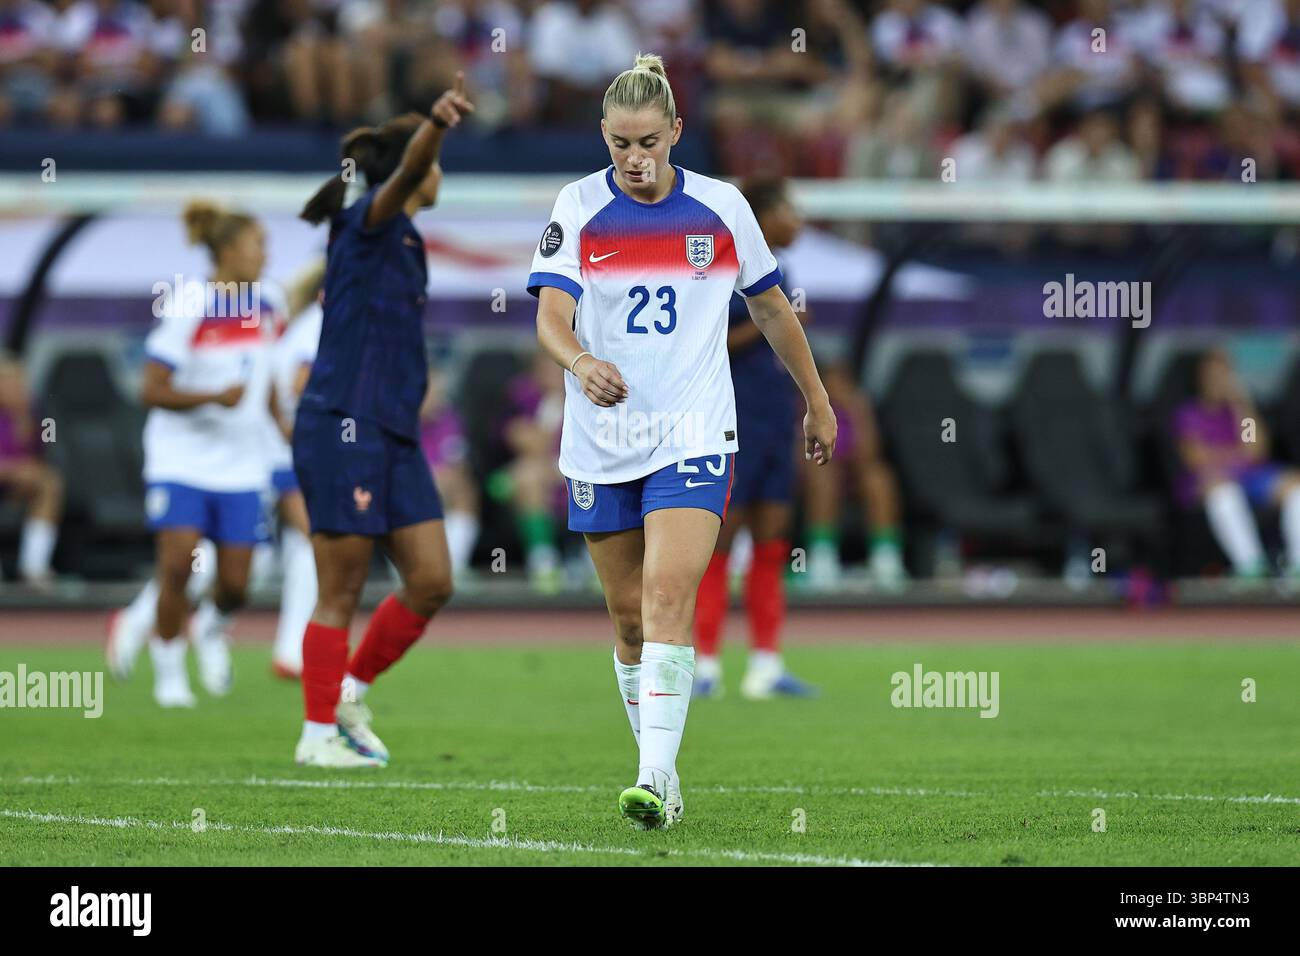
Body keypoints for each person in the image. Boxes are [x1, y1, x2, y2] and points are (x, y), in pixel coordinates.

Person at [527, 53, 836, 828]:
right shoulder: (577, 206)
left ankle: (655, 777)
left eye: (649, 143)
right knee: (629, 620)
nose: (635, 160)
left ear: (676, 131)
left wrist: (818, 399)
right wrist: (582, 361)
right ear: (604, 134)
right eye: (620, 144)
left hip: (693, 432)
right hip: (601, 440)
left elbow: (770, 310)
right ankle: (658, 771)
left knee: (669, 598)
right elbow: (551, 318)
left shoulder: (724, 208)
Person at [292, 74, 474, 767]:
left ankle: (346, 691)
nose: (439, 172)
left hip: (393, 432)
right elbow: (404, 173)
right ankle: (315, 738)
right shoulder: (369, 223)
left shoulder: (408, 241)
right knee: (339, 586)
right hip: (344, 422)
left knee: (432, 581)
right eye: (433, 160)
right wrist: (437, 121)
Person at [107, 199, 277, 708]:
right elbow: (151, 388)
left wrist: (283, 427)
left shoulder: (268, 303)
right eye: (256, 245)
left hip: (243, 464)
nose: (265, 256)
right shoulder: (191, 303)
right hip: (180, 461)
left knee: (237, 583)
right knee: (178, 567)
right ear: (226, 251)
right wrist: (212, 398)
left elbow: (262, 375)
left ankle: (210, 629)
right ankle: (168, 675)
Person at [692, 177, 816, 700]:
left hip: (771, 421)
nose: (798, 219)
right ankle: (705, 667)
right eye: (789, 208)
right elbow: (704, 341)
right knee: (718, 543)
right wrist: (775, 321)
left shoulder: (780, 273)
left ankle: (766, 665)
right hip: (730, 421)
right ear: (761, 216)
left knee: (771, 543)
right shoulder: (726, 269)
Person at [1174, 346, 1300, 579]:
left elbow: (1257, 450)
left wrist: (1242, 404)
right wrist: (1236, 455)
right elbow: (1196, 459)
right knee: (1223, 491)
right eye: (1213, 374)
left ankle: (1297, 568)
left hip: (1251, 478)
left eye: (1224, 374)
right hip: (1212, 480)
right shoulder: (1190, 413)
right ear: (1201, 377)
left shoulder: (1239, 410)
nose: (1219, 380)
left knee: (1295, 487)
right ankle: (1251, 567)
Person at [0, 355, 62, 584]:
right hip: (7, 476)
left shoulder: (38, 412)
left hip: (18, 486)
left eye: (20, 383)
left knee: (50, 483)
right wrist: (14, 470)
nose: (17, 389)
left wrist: (30, 421)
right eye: (10, 384)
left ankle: (34, 567)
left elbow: (50, 447)